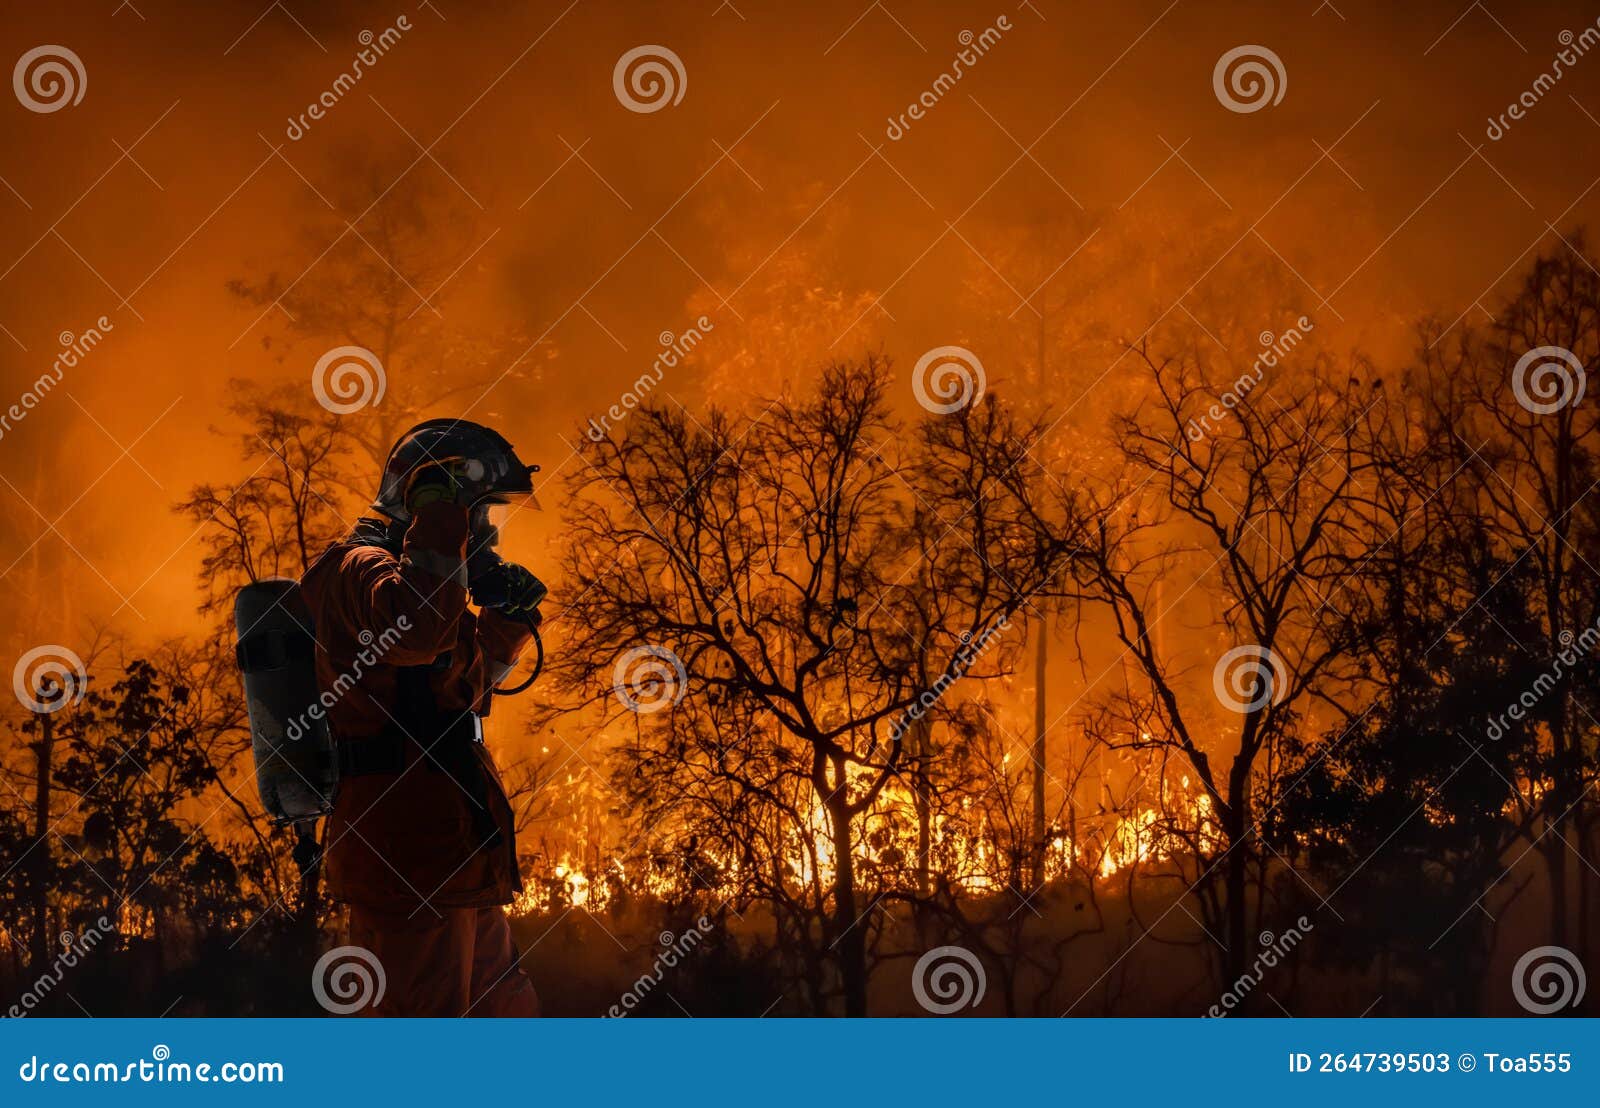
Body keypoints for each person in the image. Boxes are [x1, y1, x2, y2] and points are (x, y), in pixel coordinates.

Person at [299, 419, 548, 1016]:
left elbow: (456, 694)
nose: (482, 531)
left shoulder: (426, 584)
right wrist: (440, 517)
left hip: (456, 857)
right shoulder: (357, 572)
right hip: (407, 864)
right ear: (425, 502)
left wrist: (509, 620)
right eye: (474, 512)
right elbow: (417, 631)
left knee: (507, 1025)